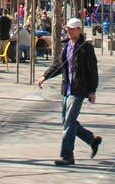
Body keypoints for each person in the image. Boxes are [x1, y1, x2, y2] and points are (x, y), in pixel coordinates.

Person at [40, 15, 101, 167]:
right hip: (67, 89)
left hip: (79, 90)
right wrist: (44, 76)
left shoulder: (86, 48)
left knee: (68, 123)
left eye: (72, 29)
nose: (69, 32)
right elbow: (59, 66)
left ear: (79, 30)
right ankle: (92, 140)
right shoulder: (66, 46)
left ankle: (67, 156)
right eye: (68, 29)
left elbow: (93, 70)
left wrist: (92, 91)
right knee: (68, 122)